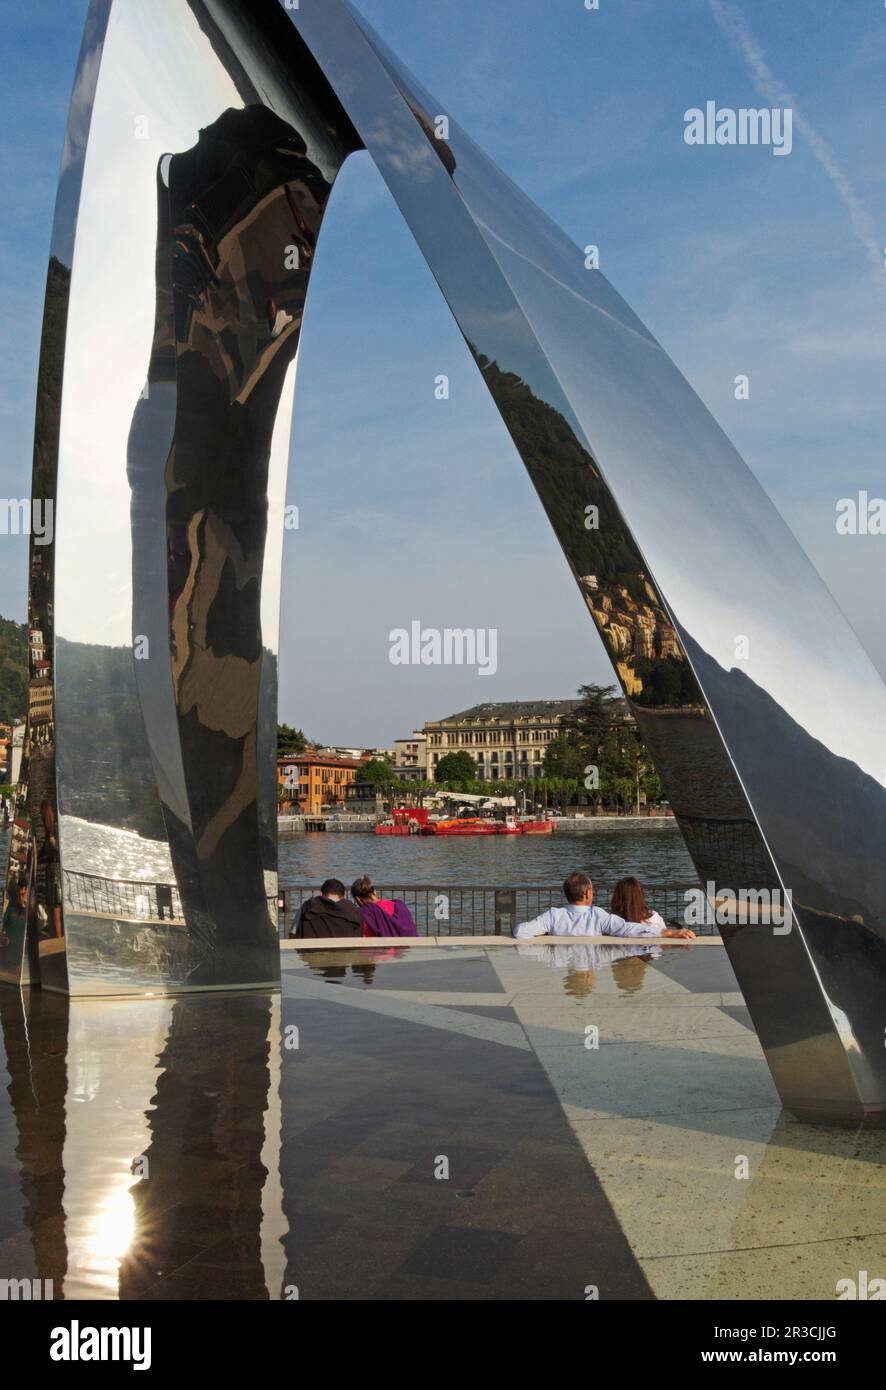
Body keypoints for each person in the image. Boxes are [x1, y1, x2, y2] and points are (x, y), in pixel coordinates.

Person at [513, 871, 695, 940]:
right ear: (587, 894)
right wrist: (669, 932)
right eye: (592, 889)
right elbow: (630, 929)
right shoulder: (598, 915)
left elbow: (521, 931)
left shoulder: (553, 915)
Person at [290, 878, 363, 939]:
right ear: (343, 897)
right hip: (346, 955)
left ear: (321, 894)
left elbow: (293, 934)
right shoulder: (354, 911)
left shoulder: (307, 906)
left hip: (311, 955)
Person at [350, 875, 418, 938]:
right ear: (374, 891)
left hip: (381, 950)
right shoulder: (399, 906)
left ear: (357, 899)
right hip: (408, 949)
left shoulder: (365, 914)